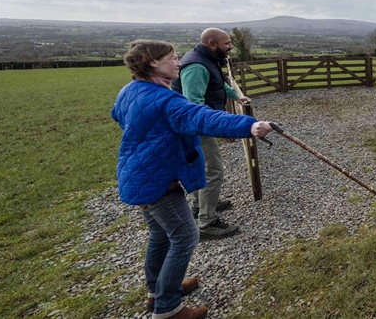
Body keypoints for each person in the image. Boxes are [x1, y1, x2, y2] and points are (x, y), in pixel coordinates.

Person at [112, 40, 272, 319]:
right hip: (160, 180)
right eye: (173, 58)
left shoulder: (130, 90)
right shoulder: (166, 100)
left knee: (160, 236)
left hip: (139, 174)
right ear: (153, 63)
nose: (179, 63)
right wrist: (249, 125)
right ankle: (168, 308)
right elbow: (201, 117)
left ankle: (157, 291)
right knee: (186, 237)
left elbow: (118, 116)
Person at [171, 28, 249, 239]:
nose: (230, 46)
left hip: (197, 124)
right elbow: (193, 105)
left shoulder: (207, 59)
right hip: (195, 126)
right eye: (227, 43)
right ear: (212, 44)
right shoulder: (196, 66)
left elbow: (218, 83)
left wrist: (235, 96)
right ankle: (207, 222)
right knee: (213, 170)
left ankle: (200, 206)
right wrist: (221, 128)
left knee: (201, 167)